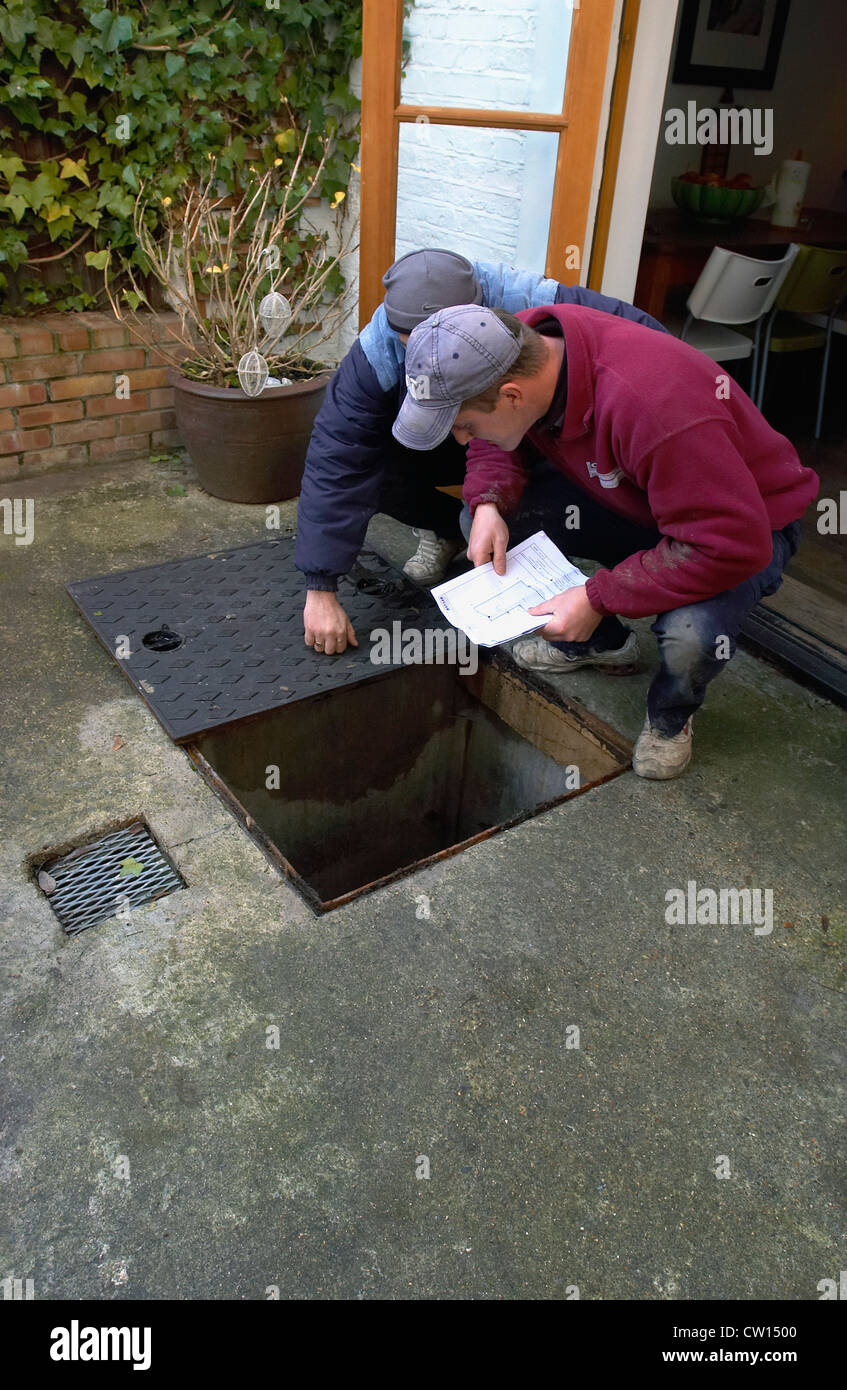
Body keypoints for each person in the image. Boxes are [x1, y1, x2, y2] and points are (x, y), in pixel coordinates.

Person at [391, 302, 818, 779]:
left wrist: (598, 595)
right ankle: (603, 644)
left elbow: (729, 543)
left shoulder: (656, 406)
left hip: (739, 527)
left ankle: (670, 718)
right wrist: (489, 500)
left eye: (464, 427)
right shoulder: (523, 347)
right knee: (479, 520)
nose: (463, 440)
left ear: (513, 396)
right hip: (638, 497)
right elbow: (496, 439)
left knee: (691, 635)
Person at [296, 248, 668, 655]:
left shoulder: (544, 307)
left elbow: (657, 363)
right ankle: (449, 533)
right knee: (377, 461)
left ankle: (589, 634)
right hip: (464, 432)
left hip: (535, 441)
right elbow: (338, 453)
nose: (418, 352)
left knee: (539, 514)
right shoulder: (378, 348)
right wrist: (321, 586)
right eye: (410, 346)